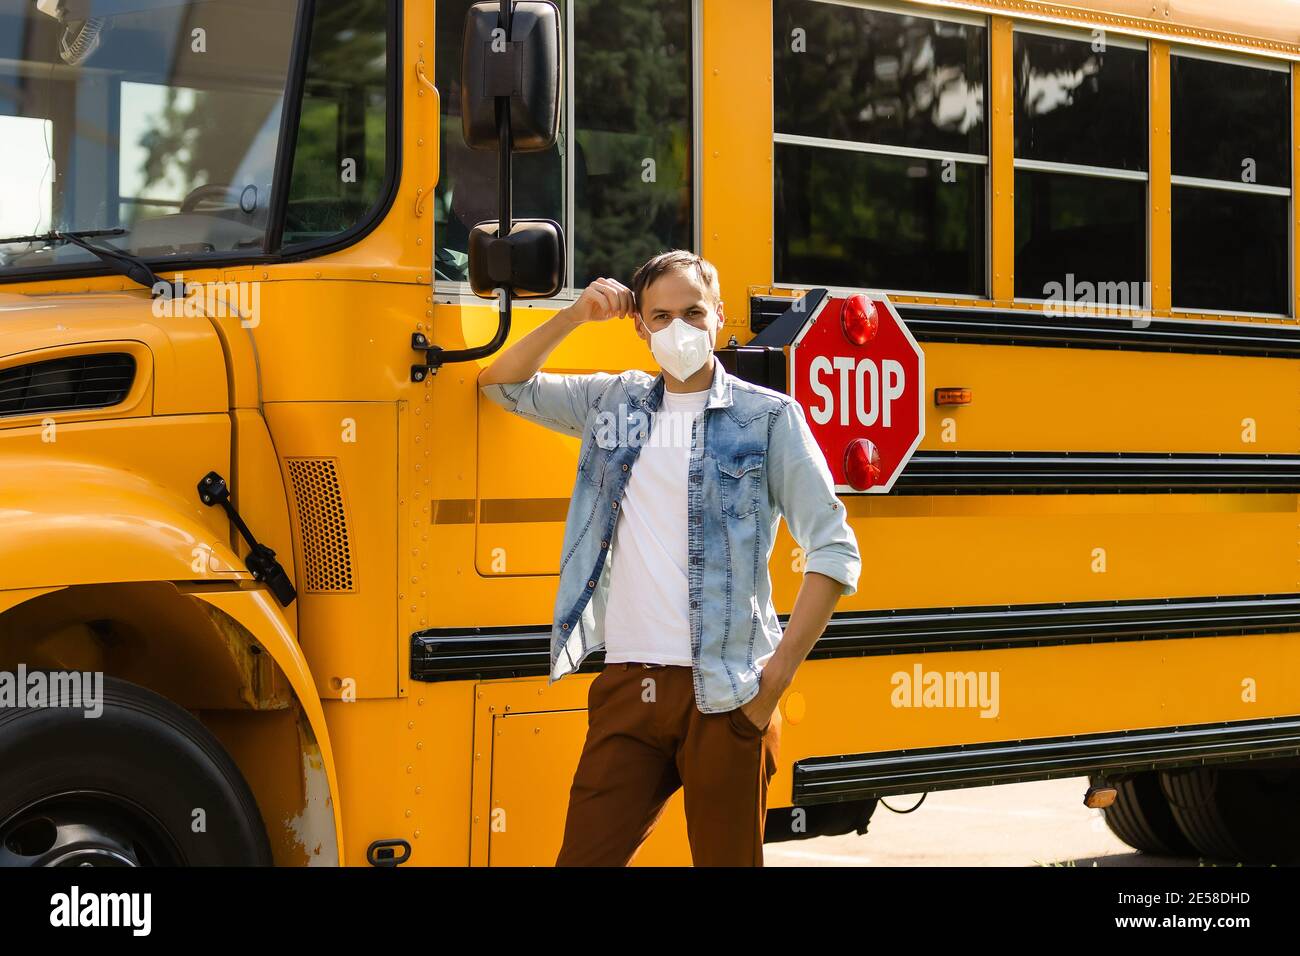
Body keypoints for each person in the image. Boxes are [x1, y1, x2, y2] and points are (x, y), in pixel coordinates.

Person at [478, 250, 861, 866]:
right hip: (630, 687)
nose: (678, 328)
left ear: (719, 317)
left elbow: (834, 550)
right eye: (660, 315)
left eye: (692, 312)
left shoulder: (768, 418)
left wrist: (771, 687)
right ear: (640, 326)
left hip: (727, 694)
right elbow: (502, 383)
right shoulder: (614, 404)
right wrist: (575, 315)